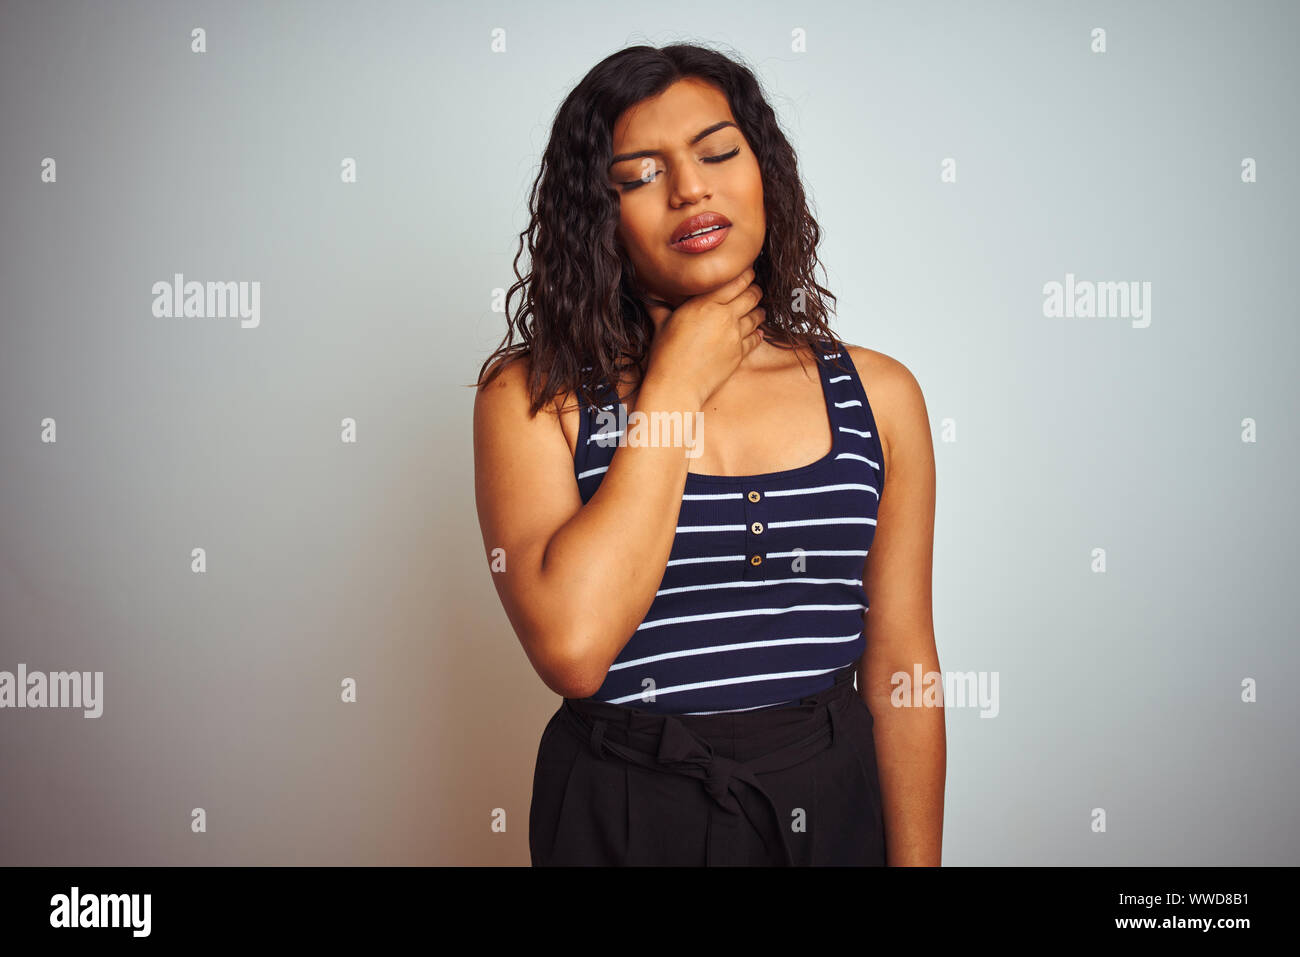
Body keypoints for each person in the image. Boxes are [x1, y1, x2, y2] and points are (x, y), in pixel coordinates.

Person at [472, 42, 943, 865]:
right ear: (599, 214)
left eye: (718, 152)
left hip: (831, 804)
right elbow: (575, 650)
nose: (691, 187)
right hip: (620, 811)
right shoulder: (533, 396)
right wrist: (675, 385)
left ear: (764, 171)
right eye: (641, 174)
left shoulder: (878, 395)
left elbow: (903, 665)